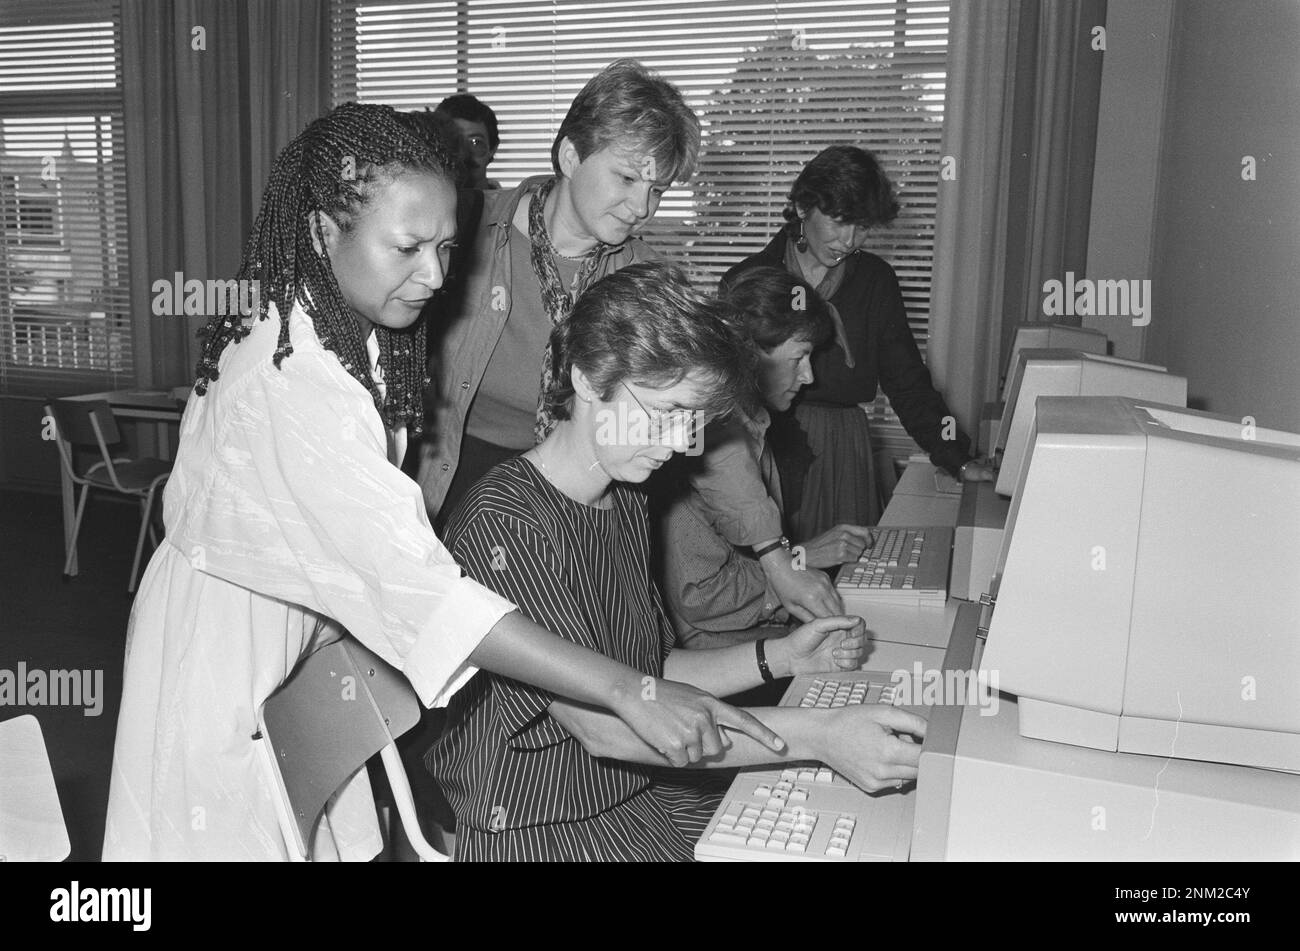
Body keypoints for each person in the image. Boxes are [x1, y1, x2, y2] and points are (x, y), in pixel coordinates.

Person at [102, 103, 781, 862]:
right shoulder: (287, 379)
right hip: (226, 638)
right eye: (408, 247)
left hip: (300, 620)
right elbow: (428, 596)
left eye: (446, 248)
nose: (433, 275)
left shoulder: (334, 322)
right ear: (326, 230)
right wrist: (627, 688)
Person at [428, 264, 926, 861]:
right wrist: (818, 737)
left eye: (692, 421)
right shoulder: (504, 523)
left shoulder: (626, 497)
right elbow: (608, 727)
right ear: (588, 378)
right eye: (665, 412)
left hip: (633, 791)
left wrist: (783, 656)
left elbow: (650, 671)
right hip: (540, 822)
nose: (676, 443)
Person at [414, 59, 841, 624]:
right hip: (455, 485)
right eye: (626, 178)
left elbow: (709, 427)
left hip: (581, 503)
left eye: (657, 188)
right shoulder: (461, 232)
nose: (642, 207)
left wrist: (774, 557)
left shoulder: (642, 278)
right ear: (570, 156)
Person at [723, 145, 993, 542]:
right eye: (839, 221)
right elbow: (722, 389)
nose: (849, 240)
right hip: (760, 448)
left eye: (862, 226)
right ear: (802, 206)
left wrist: (961, 460)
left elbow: (908, 385)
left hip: (840, 452)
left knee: (844, 582)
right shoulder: (748, 280)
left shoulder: (875, 281)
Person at [656, 267, 877, 647]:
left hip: (751, 630)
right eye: (800, 358)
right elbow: (701, 596)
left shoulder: (755, 425)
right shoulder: (705, 443)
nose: (809, 377)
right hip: (709, 653)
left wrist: (800, 558)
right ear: (751, 355)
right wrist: (802, 558)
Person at [434, 93, 501, 189]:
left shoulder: (515, 203)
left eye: (475, 142)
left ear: (492, 149)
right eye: (453, 141)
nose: (464, 153)